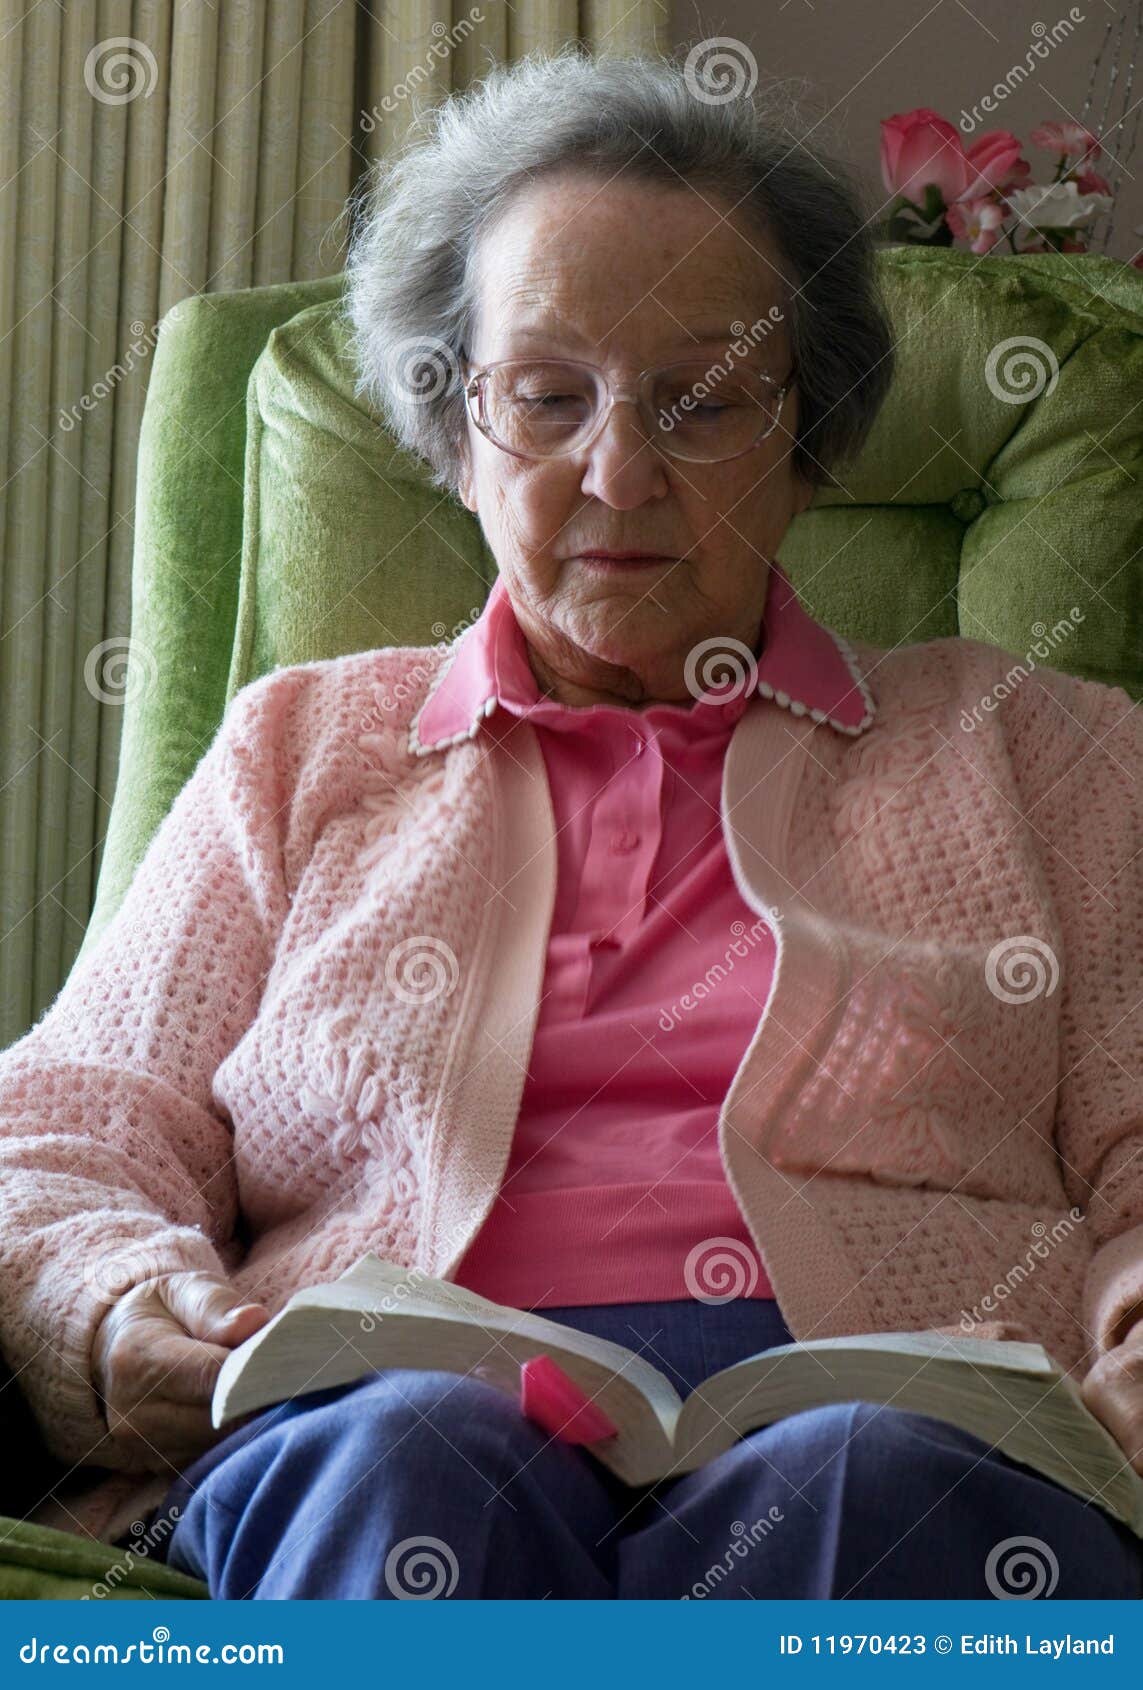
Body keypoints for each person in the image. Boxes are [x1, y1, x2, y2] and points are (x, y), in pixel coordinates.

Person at [1, 47, 1140, 1600]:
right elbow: (71, 1122)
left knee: (867, 1479)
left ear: (807, 438)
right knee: (410, 1459)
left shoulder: (1040, 752)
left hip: (898, 1437)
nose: (620, 472)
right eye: (546, 398)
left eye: (702, 401)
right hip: (389, 1422)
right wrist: (113, 1306)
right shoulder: (299, 750)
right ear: (457, 433)